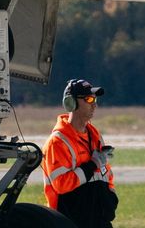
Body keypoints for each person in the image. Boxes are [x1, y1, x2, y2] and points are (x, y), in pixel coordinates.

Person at [43, 78, 117, 227]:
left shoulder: (95, 135)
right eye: (89, 99)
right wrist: (92, 164)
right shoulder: (57, 141)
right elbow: (61, 185)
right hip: (70, 222)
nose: (94, 104)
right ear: (71, 103)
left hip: (99, 221)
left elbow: (106, 174)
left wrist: (110, 198)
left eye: (95, 99)